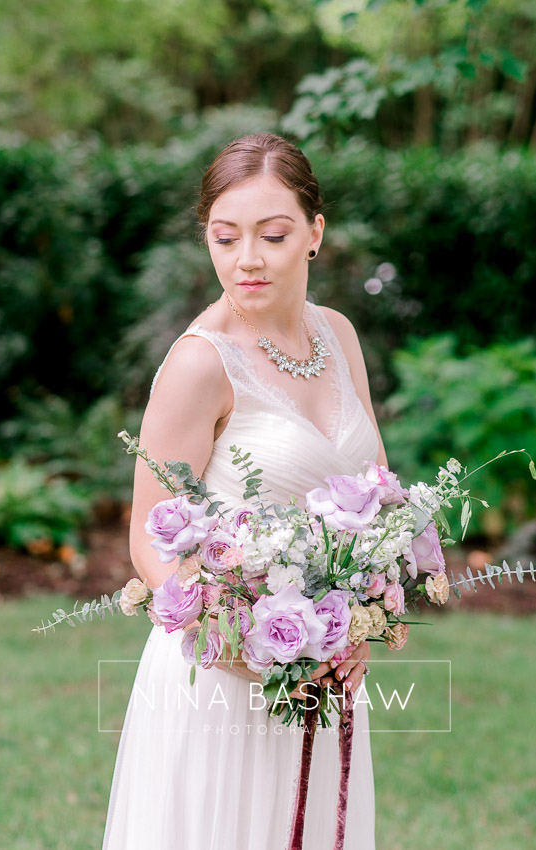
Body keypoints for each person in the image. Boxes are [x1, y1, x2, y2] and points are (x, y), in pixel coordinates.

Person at [102, 133, 387, 850]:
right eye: (225, 238)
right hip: (220, 682)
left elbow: (375, 496)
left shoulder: (339, 336)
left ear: (314, 234)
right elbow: (147, 537)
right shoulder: (201, 364)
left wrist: (366, 617)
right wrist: (250, 651)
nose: (247, 259)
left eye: (273, 234)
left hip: (323, 677)